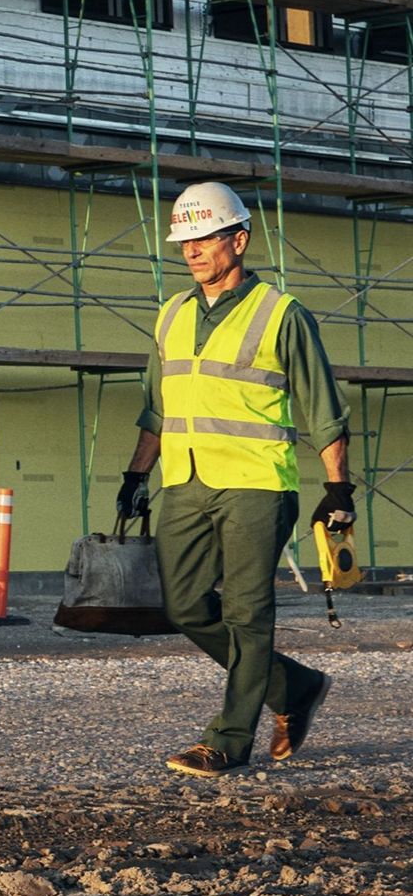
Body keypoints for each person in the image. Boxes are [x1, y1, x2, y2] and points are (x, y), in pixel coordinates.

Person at [113, 182, 348, 776]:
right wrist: (136, 475)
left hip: (256, 484)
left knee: (247, 613)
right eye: (184, 240)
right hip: (187, 483)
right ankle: (292, 688)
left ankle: (227, 739)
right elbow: (157, 410)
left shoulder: (280, 313)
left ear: (238, 239)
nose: (191, 250)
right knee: (185, 605)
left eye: (204, 237)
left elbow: (322, 407)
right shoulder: (171, 315)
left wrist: (338, 488)